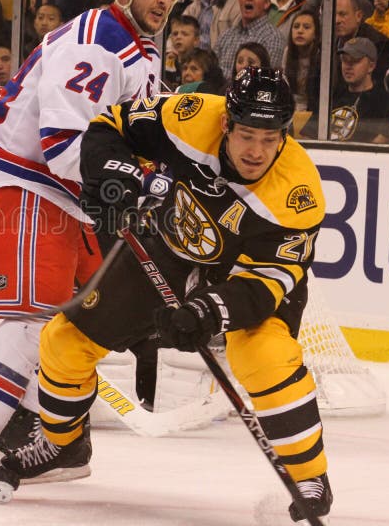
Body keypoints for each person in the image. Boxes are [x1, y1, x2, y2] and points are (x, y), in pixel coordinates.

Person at [0, 0, 184, 503]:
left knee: (78, 319)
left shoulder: (142, 50)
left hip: (60, 191)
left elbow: (136, 135)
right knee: (27, 321)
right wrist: (135, 183)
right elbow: (64, 144)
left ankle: (53, 435)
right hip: (19, 181)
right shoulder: (96, 43)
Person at [36, 67, 332, 523]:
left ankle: (308, 476)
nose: (256, 151)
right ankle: (61, 444)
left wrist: (207, 311)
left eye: (269, 138)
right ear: (226, 124)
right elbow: (108, 128)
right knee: (63, 340)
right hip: (174, 248)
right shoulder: (189, 117)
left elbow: (262, 285)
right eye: (247, 134)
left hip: (247, 277)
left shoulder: (298, 194)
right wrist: (115, 179)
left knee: (265, 356)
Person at [215, 0, 285, 79]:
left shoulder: (273, 38)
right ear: (239, 0)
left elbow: (267, 78)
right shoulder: (226, 35)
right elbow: (212, 71)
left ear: (266, 4)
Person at [328, 37, 389, 143]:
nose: (348, 66)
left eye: (355, 61)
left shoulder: (383, 102)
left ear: (371, 66)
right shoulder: (333, 95)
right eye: (344, 60)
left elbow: (379, 143)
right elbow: (306, 134)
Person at [283, 8, 321, 115]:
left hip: (314, 111)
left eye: (306, 27)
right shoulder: (287, 52)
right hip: (292, 108)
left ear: (315, 34)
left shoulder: (321, 57)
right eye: (296, 27)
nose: (300, 31)